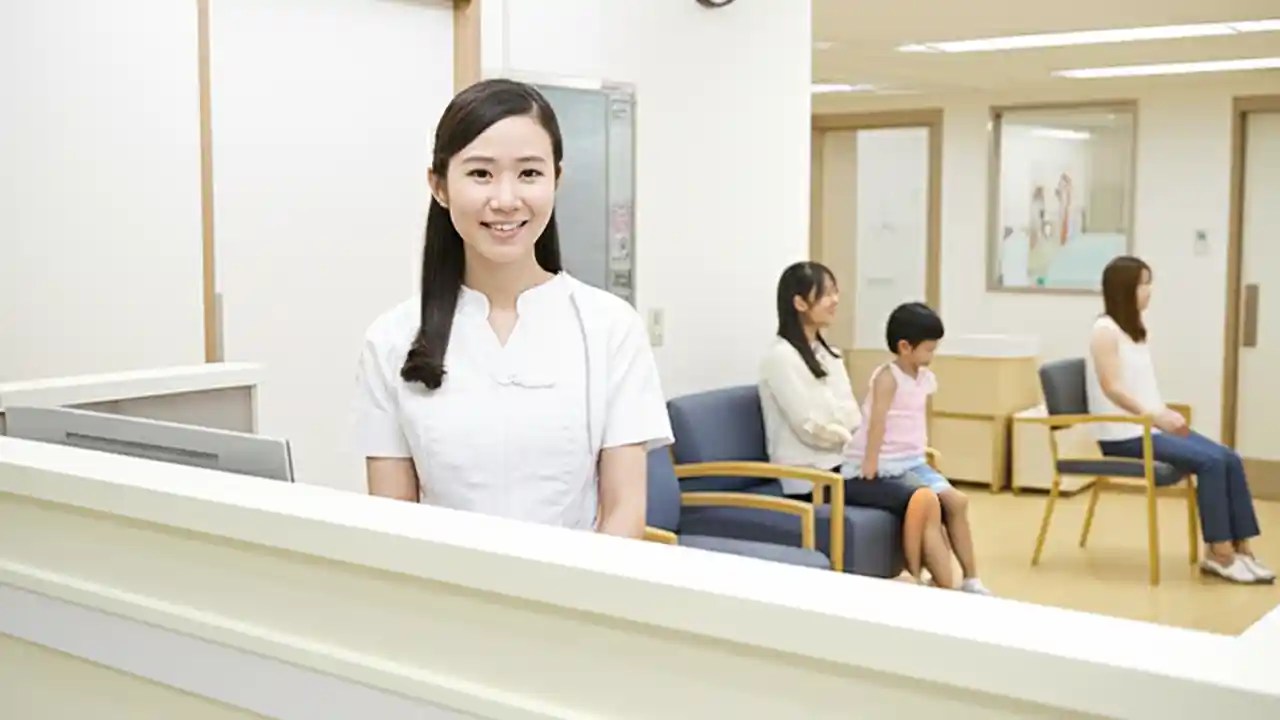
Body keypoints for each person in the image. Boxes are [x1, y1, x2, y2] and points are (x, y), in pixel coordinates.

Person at [351, 79, 672, 538]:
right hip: (441, 601)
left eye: (529, 174)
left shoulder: (610, 328)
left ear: (556, 181)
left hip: (573, 600)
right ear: (439, 186)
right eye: (481, 174)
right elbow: (392, 522)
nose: (505, 199)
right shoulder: (391, 339)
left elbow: (624, 512)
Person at [759, 262, 952, 586]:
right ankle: (922, 581)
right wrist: (850, 440)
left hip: (845, 462)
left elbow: (851, 412)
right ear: (799, 303)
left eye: (836, 292)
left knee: (936, 494)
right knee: (923, 497)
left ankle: (942, 585)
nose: (835, 300)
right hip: (814, 476)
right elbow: (809, 425)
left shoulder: (829, 355)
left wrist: (852, 439)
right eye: (826, 294)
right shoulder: (780, 358)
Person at [1087, 256, 1272, 584]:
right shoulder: (1105, 331)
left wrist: (1163, 413)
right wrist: (1156, 416)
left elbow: (1140, 387)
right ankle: (1220, 554)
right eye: (1143, 283)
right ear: (1124, 288)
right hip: (1125, 434)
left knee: (1228, 457)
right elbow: (1111, 388)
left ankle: (1241, 548)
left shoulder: (1136, 332)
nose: (1149, 290)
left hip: (1151, 425)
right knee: (1212, 463)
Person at [843, 302, 991, 594]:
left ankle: (972, 578)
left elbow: (918, 418)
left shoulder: (923, 378)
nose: (932, 356)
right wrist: (870, 463)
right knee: (932, 504)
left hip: (912, 460)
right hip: (885, 461)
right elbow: (877, 423)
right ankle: (935, 581)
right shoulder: (887, 377)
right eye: (928, 349)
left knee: (957, 502)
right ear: (904, 347)